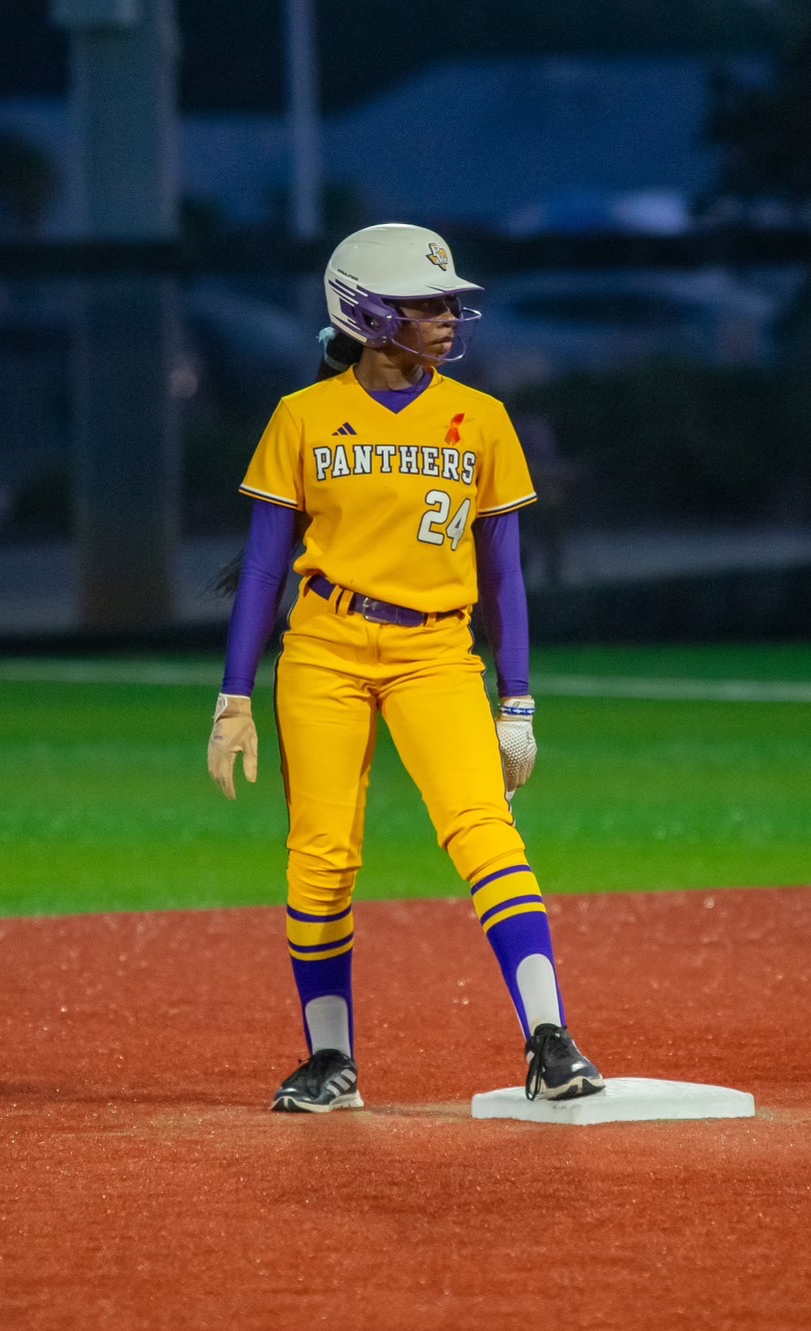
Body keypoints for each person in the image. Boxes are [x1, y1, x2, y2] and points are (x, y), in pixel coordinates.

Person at [207, 222, 605, 1113]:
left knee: (485, 833)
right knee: (321, 859)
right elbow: (266, 567)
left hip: (436, 651)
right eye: (424, 303)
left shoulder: (484, 419)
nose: (446, 316)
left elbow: (503, 574)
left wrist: (520, 699)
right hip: (326, 650)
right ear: (364, 311)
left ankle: (551, 1038)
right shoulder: (301, 417)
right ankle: (331, 1062)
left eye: (448, 302)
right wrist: (234, 695)